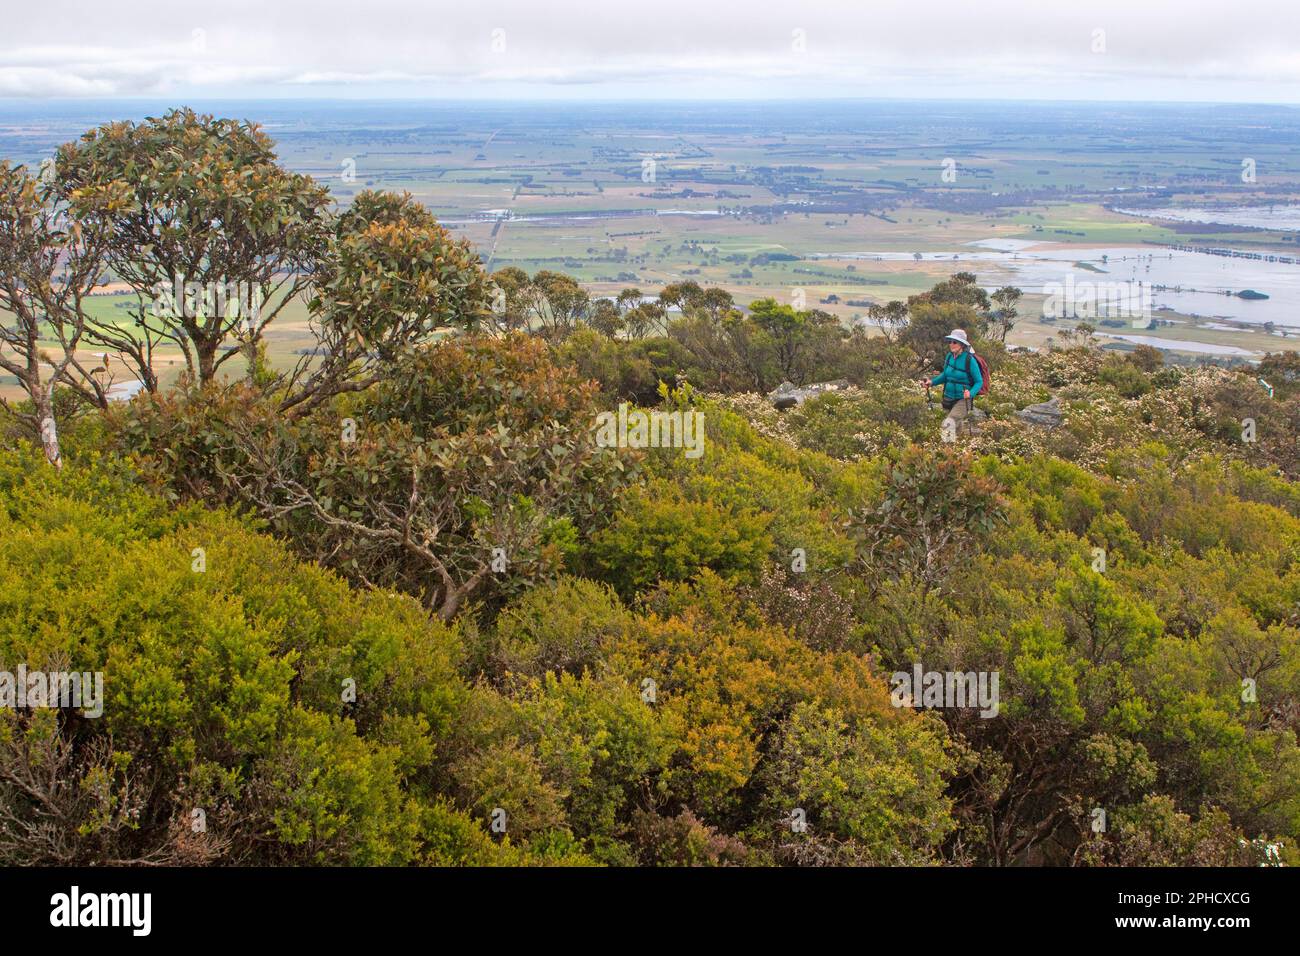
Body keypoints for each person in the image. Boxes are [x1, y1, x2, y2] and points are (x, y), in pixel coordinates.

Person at [924, 328, 982, 438]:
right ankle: (958, 449)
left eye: (954, 342)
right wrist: (931, 382)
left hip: (963, 399)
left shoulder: (969, 360)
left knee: (948, 423)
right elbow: (945, 375)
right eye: (950, 342)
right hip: (948, 398)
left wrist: (970, 393)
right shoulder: (949, 357)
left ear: (962, 344)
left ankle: (946, 452)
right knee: (957, 426)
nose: (951, 344)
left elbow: (979, 381)